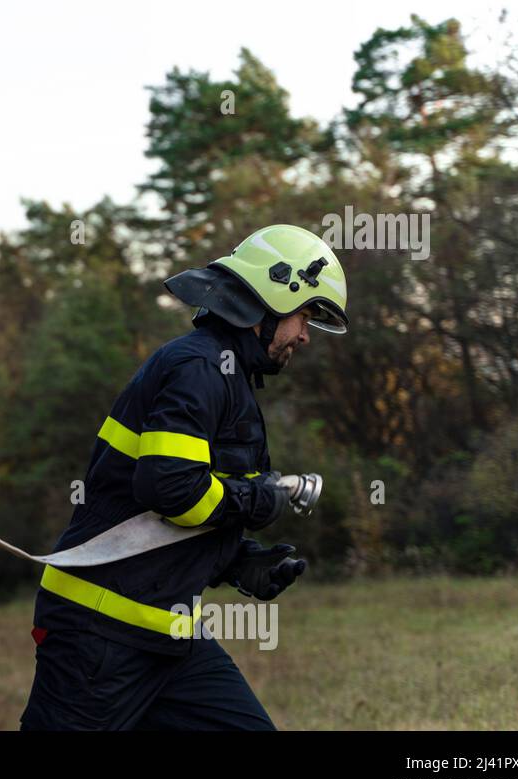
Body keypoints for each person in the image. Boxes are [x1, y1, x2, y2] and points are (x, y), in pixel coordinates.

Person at [19, 224, 349, 731]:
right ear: (272, 297)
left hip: (168, 639)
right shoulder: (196, 367)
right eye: (304, 316)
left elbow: (165, 511)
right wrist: (259, 501)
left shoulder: (226, 377)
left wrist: (236, 563)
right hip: (99, 637)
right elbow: (172, 488)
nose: (304, 335)